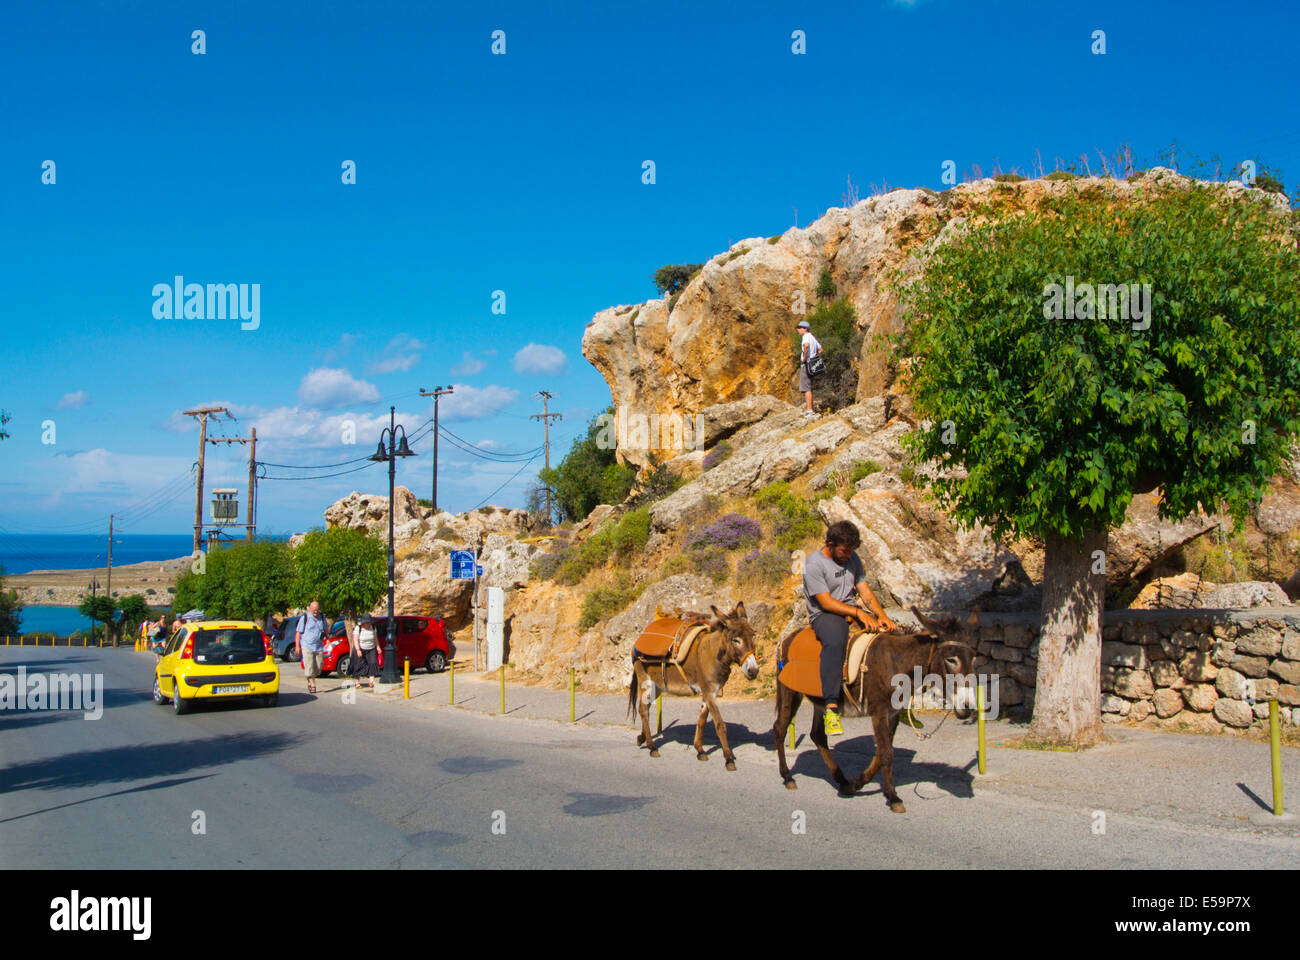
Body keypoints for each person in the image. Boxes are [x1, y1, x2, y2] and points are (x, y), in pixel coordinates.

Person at [802, 520, 897, 736]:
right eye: (844, 550)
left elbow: (864, 592)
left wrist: (883, 617)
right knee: (836, 640)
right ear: (830, 543)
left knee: (890, 637)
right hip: (825, 615)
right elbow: (825, 602)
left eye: (851, 551)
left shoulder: (852, 558)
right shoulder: (813, 564)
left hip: (852, 609)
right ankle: (832, 707)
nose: (848, 555)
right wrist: (858, 613)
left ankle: (896, 700)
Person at [295, 600, 329, 695]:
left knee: (319, 665)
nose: (315, 612)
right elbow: (298, 632)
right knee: (309, 665)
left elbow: (325, 628)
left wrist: (328, 639)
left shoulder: (322, 617)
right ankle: (312, 684)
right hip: (307, 645)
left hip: (318, 646)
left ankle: (310, 678)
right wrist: (297, 646)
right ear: (310, 609)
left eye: (317, 610)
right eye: (314, 610)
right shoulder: (305, 618)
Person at [797, 319, 822, 418]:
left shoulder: (806, 336)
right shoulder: (812, 337)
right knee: (809, 387)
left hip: (806, 365)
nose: (798, 330)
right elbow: (820, 349)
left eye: (799, 328)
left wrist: (804, 358)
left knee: (806, 388)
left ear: (805, 329)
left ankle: (809, 410)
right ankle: (810, 409)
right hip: (812, 365)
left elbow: (806, 346)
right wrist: (814, 358)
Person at [350, 614, 379, 689]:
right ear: (363, 623)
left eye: (369, 622)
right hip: (360, 648)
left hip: (371, 648)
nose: (368, 624)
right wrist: (358, 650)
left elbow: (375, 638)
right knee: (359, 665)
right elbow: (355, 640)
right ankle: (357, 682)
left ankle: (371, 681)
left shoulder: (373, 627)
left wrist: (378, 647)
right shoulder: (358, 628)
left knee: (372, 663)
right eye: (367, 623)